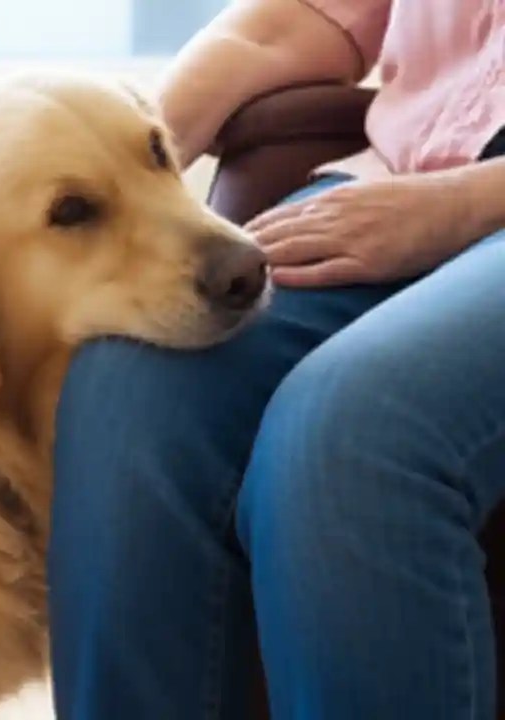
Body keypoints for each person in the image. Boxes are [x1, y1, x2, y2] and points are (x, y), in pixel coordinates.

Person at [47, 0, 505, 718]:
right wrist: (118, 169)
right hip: (392, 183)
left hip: (471, 205)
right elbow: (278, 27)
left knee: (351, 431)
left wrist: (462, 204)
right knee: (131, 388)